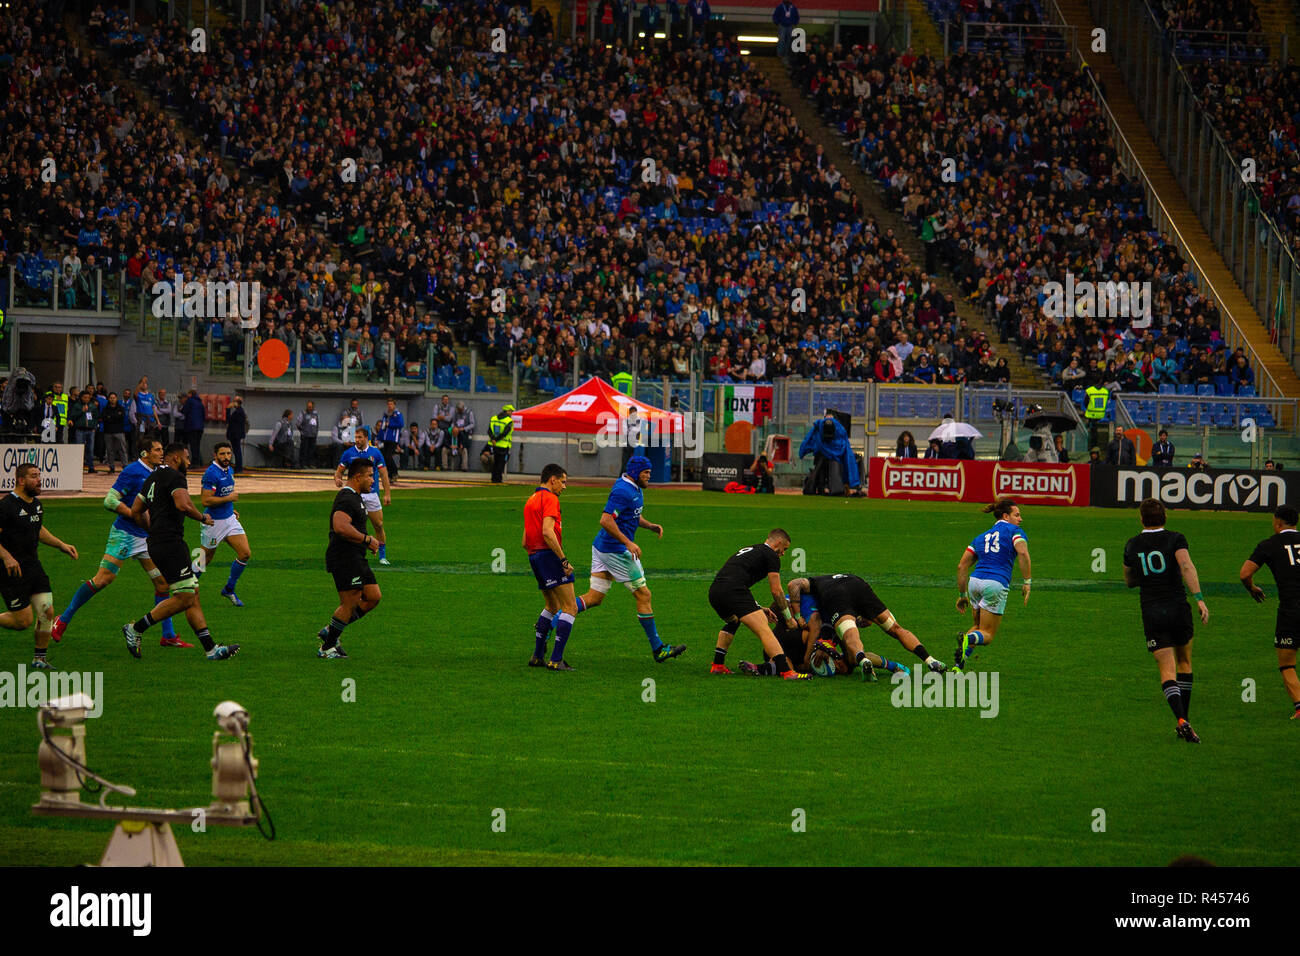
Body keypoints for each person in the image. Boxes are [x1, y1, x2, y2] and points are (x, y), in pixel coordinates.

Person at [51, 439, 188, 648]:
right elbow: (110, 500)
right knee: (103, 579)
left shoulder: (158, 471)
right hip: (124, 534)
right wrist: (134, 514)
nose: (161, 453)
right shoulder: (133, 471)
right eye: (157, 450)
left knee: (162, 584)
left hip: (147, 537)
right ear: (144, 452)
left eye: (162, 449)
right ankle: (63, 619)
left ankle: (167, 635)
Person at [122, 444, 239, 661]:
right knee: (185, 596)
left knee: (192, 594)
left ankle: (211, 649)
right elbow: (183, 504)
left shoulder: (153, 478)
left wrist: (150, 529)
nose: (189, 461)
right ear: (176, 458)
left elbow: (136, 510)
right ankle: (136, 628)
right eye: (186, 457)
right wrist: (202, 517)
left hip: (163, 542)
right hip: (169, 543)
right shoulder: (175, 476)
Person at [574, 456, 686, 663]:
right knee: (644, 595)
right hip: (616, 551)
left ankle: (553, 621)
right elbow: (606, 519)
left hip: (601, 548)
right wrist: (628, 543)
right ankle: (658, 649)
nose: (649, 476)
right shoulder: (623, 491)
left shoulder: (633, 487)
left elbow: (631, 516)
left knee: (594, 598)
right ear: (635, 473)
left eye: (650, 473)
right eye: (646, 473)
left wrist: (650, 525)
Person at [1123, 497, 1207, 743]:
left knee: (1166, 669)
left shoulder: (1132, 545)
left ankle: (1181, 720)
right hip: (1178, 606)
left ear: (1141, 519)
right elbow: (1186, 566)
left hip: (1151, 609)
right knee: (1184, 662)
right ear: (1165, 517)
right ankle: (1185, 720)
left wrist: (1148, 576)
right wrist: (1199, 599)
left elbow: (1129, 581)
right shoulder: (1176, 538)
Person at [786, 573, 945, 679]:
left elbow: (793, 584)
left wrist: (798, 615)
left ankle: (863, 661)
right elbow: (868, 621)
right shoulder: (833, 579)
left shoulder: (815, 585)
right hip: (859, 585)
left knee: (850, 635)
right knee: (896, 629)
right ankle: (930, 660)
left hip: (836, 596)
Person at [0, 463, 79, 670]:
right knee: (22, 622)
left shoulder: (36, 504)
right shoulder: (6, 505)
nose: (39, 480)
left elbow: (38, 529)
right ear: (21, 480)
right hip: (11, 570)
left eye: (39, 475)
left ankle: (39, 659)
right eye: (34, 476)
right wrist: (6, 556)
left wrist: (61, 545)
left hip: (33, 567)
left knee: (47, 611)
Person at [707, 530, 811, 679]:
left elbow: (735, 580)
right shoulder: (771, 556)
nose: (783, 553)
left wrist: (758, 607)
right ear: (778, 543)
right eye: (785, 549)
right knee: (763, 628)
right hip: (734, 591)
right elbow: (777, 591)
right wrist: (788, 618)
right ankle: (787, 671)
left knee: (734, 620)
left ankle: (718, 665)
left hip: (716, 592)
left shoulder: (752, 549)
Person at [954, 498, 1032, 670]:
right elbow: (1023, 553)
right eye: (1017, 515)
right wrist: (1027, 582)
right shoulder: (1015, 531)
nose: (1020, 519)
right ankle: (969, 639)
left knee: (978, 627)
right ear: (1006, 516)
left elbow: (962, 566)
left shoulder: (981, 537)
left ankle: (958, 666)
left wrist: (962, 595)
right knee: (987, 635)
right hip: (995, 584)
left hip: (974, 583)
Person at [318, 457, 383, 659]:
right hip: (344, 557)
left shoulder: (356, 497)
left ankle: (331, 630)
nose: (374, 480)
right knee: (350, 602)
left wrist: (367, 543)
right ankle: (327, 647)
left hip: (356, 556)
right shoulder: (346, 498)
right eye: (370, 476)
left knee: (373, 596)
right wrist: (366, 539)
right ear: (357, 476)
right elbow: (340, 526)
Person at [1239, 505, 1300, 719]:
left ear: (1277, 522)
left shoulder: (1269, 545)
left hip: (1291, 610)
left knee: (1287, 664)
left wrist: (1252, 588)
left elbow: (1245, 573)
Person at [524, 463, 580, 671]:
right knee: (570, 607)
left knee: (551, 605)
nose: (564, 487)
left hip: (534, 556)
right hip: (548, 555)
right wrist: (563, 560)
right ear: (552, 480)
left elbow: (524, 539)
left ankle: (538, 655)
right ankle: (556, 659)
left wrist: (536, 556)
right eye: (563, 482)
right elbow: (548, 532)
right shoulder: (550, 499)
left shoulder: (531, 500)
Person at [199, 441, 252, 607]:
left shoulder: (229, 470)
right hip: (213, 521)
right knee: (204, 557)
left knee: (245, 553)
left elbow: (224, 493)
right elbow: (205, 500)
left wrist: (231, 507)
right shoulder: (211, 474)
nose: (226, 457)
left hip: (229, 519)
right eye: (222, 454)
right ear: (215, 455)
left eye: (229, 453)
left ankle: (229, 589)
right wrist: (228, 499)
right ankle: (186, 583)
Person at [335, 427, 392, 565]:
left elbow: (384, 474)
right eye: (356, 437)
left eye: (360, 437)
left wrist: (387, 494)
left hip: (372, 495)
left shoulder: (375, 453)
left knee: (378, 525)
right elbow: (339, 471)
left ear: (367, 438)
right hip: (354, 495)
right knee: (352, 526)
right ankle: (351, 554)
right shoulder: (349, 453)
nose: (357, 440)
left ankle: (382, 556)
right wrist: (337, 479)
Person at [376, 398, 405, 483]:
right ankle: (390, 475)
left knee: (388, 456)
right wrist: (379, 438)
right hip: (386, 438)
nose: (390, 406)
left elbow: (401, 424)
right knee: (385, 457)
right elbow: (383, 427)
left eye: (391, 404)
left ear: (394, 405)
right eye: (388, 404)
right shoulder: (386, 415)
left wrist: (390, 424)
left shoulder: (397, 414)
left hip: (393, 438)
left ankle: (394, 472)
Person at [71, 390, 100, 473]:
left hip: (90, 430)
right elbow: (73, 416)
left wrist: (94, 426)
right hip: (80, 430)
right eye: (85, 397)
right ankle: (78, 467)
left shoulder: (92, 406)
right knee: (79, 449)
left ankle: (91, 467)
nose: (86, 399)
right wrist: (82, 411)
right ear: (81, 397)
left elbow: (96, 417)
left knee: (90, 449)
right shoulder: (77, 405)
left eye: (88, 397)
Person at [487, 403, 515, 483]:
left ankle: (493, 478)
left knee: (495, 462)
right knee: (501, 463)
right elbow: (505, 432)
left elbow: (489, 430)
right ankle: (498, 479)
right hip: (504, 445)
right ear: (507, 411)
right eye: (511, 411)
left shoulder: (494, 418)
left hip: (494, 444)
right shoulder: (508, 421)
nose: (511, 413)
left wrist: (493, 439)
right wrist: (497, 439)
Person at [102, 391, 128, 472]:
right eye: (111, 398)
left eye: (114, 398)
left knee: (122, 450)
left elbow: (121, 417)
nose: (112, 399)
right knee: (110, 450)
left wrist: (111, 417)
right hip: (108, 432)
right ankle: (111, 467)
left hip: (119, 432)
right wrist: (115, 416)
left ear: (116, 399)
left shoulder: (121, 408)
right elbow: (105, 418)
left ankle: (125, 466)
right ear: (108, 399)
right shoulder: (105, 409)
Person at [180, 389, 205, 462]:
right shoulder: (200, 403)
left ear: (190, 394)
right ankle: (199, 460)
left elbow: (184, 410)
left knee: (193, 445)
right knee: (197, 445)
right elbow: (204, 415)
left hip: (191, 426)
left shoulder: (190, 401)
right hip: (200, 427)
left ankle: (195, 461)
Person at [450, 402, 476, 471]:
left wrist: (464, 429)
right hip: (457, 433)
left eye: (460, 410)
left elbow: (472, 424)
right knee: (457, 448)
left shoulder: (469, 412)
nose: (459, 411)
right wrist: (454, 428)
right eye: (458, 410)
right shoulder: (456, 412)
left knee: (464, 449)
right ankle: (458, 465)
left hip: (466, 433)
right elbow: (453, 422)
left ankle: (463, 466)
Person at [226, 395, 248, 473]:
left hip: (235, 434)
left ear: (236, 403)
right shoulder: (240, 411)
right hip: (236, 434)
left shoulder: (238, 412)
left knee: (237, 451)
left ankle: (239, 468)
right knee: (237, 451)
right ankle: (238, 467)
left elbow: (229, 419)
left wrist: (228, 409)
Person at [296, 400, 320, 468]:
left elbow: (317, 424)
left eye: (311, 406)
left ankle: (310, 464)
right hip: (305, 435)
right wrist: (302, 431)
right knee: (304, 450)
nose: (309, 408)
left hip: (313, 435)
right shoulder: (303, 413)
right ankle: (303, 464)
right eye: (308, 406)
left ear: (313, 407)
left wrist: (316, 432)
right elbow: (298, 423)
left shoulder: (315, 414)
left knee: (311, 451)